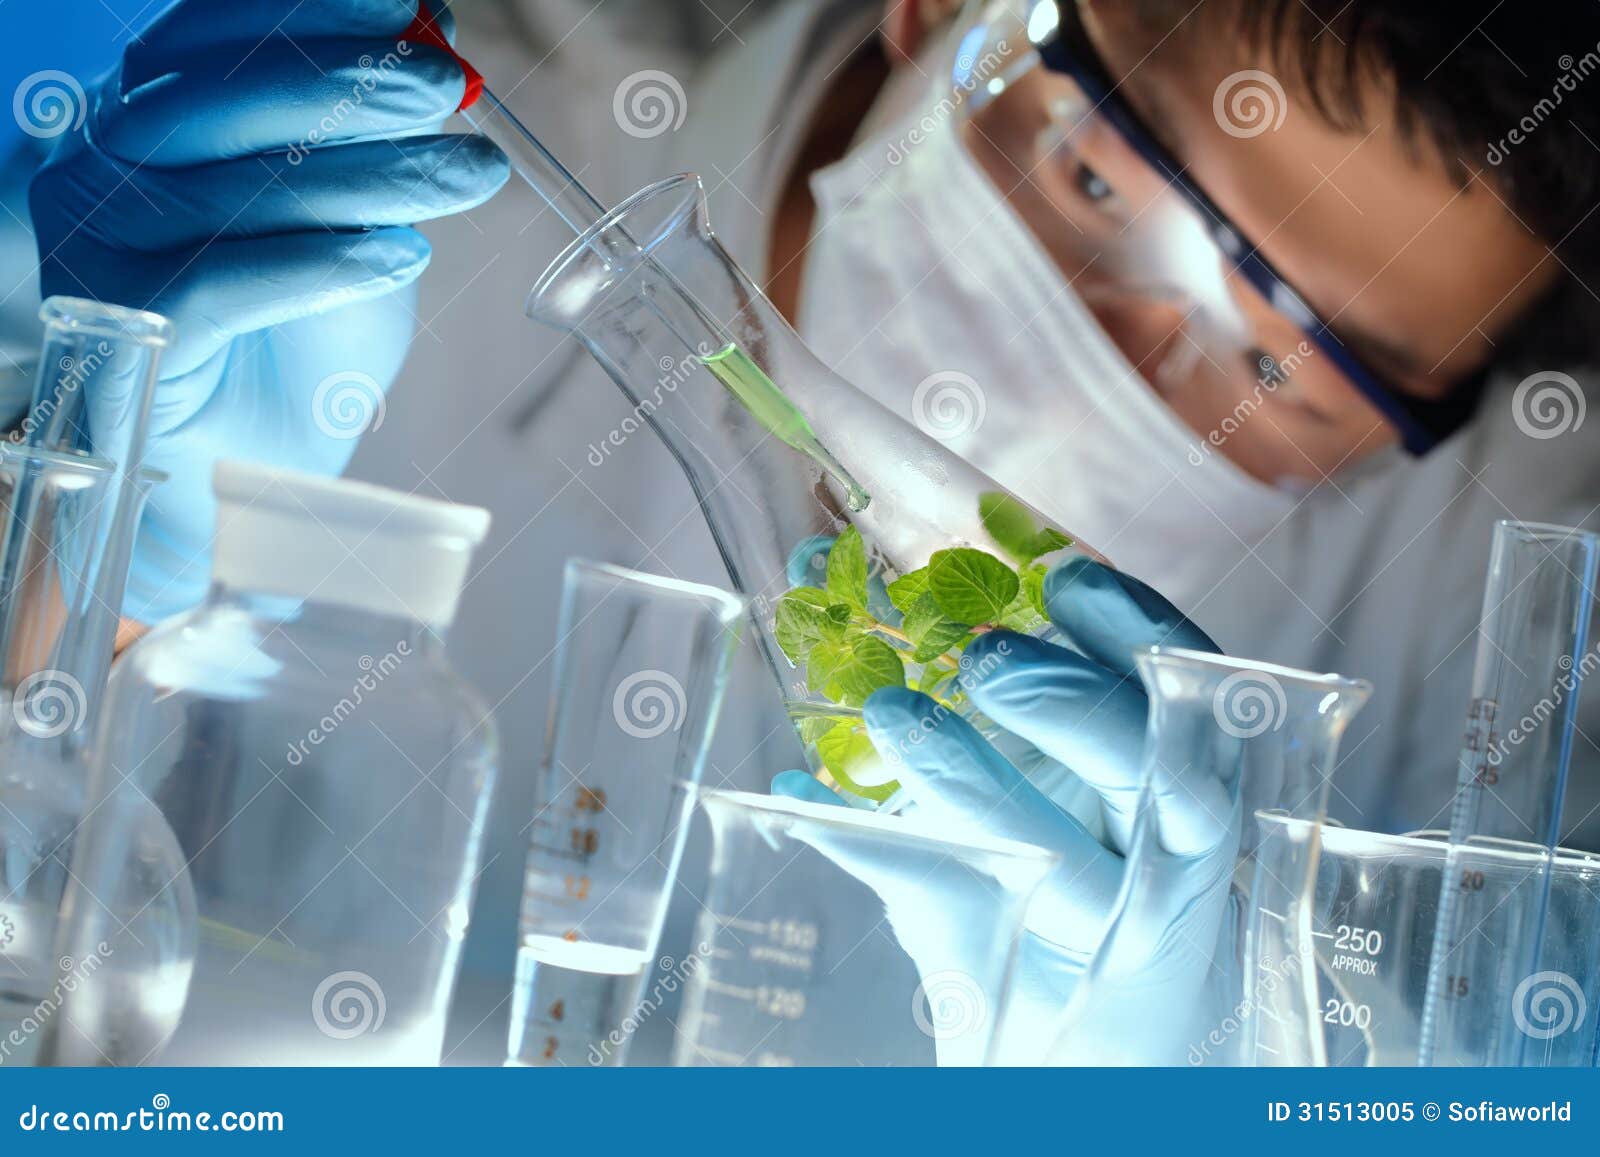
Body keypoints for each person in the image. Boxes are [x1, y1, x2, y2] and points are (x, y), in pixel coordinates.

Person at [11, 0, 1600, 1063]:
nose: (1130, 362)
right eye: (1099, 180)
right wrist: (54, 533)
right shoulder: (363, 181)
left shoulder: (1501, 610)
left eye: (1286, 367)